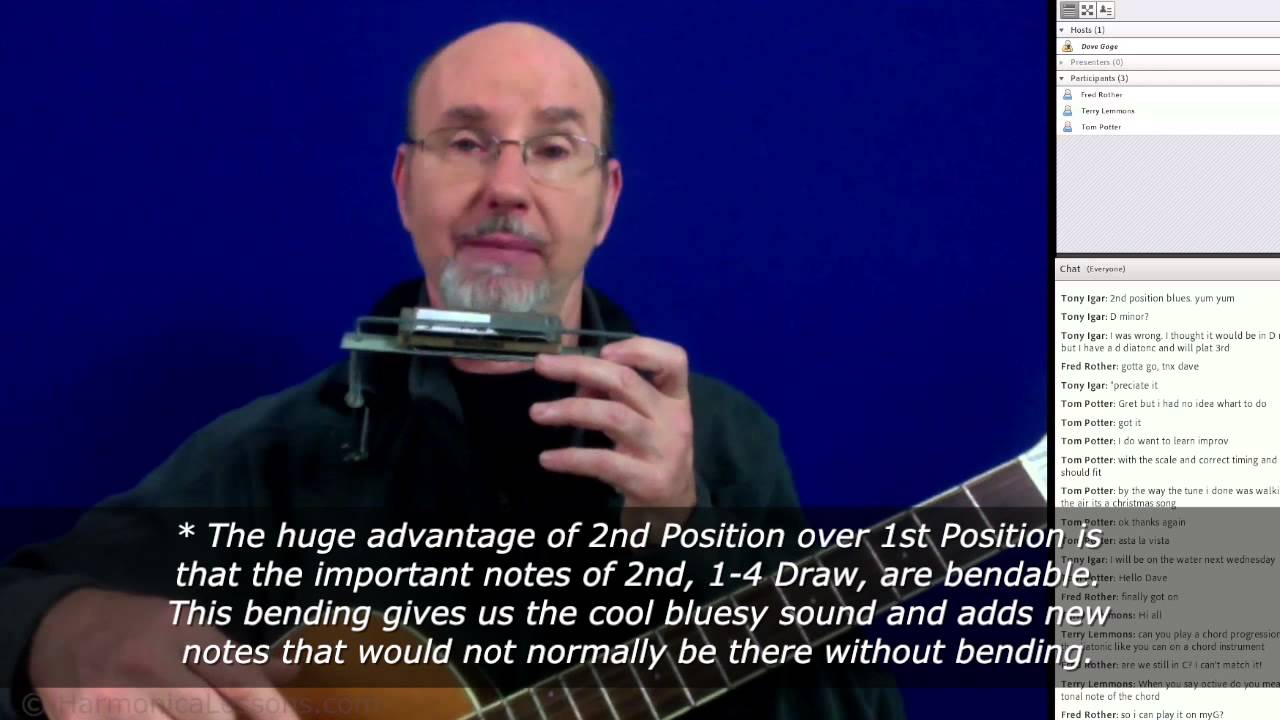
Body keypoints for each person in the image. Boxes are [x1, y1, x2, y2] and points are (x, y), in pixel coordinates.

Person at [0, 22, 905, 720]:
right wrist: (58, 632)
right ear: (405, 186)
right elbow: (16, 602)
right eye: (466, 142)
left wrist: (683, 542)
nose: (506, 187)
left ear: (605, 203)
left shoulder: (728, 442)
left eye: (553, 149)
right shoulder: (273, 454)